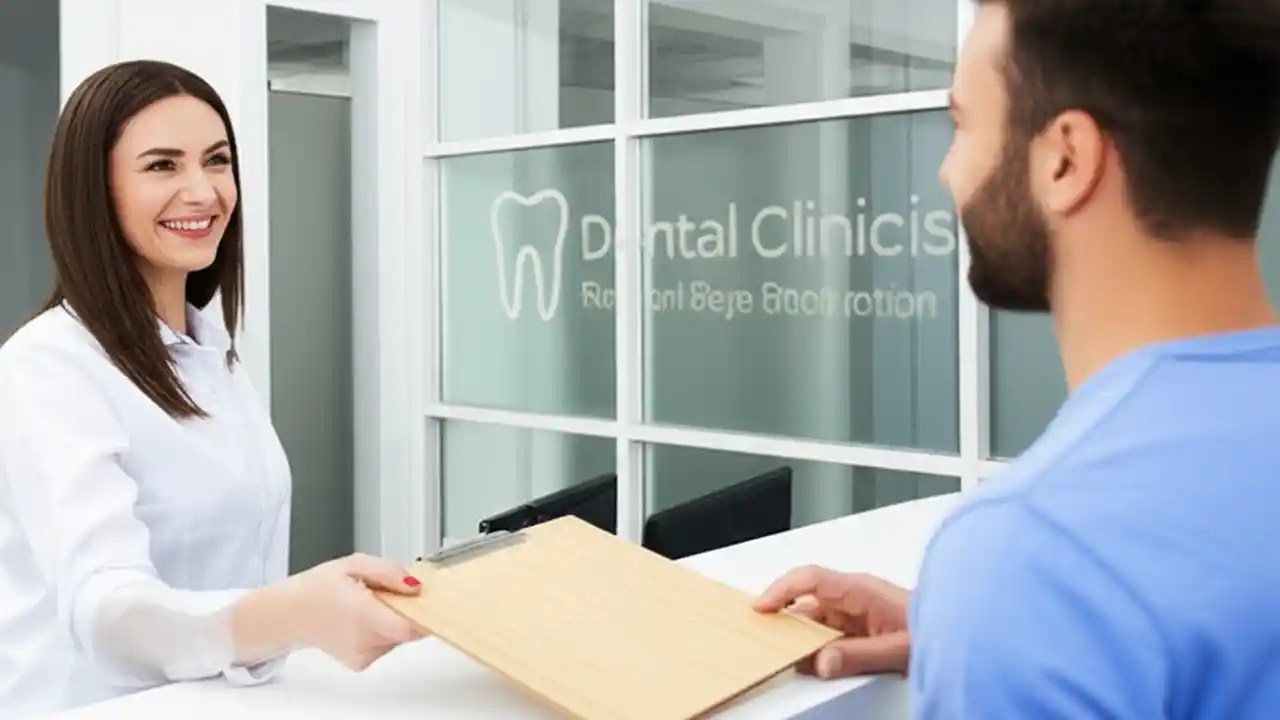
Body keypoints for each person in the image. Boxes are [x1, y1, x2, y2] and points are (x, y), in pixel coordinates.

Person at [755, 0, 1280, 717]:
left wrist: (1012, 624)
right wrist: (992, 638)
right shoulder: (1051, 589)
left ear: (1066, 157)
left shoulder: (1037, 555)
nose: (947, 172)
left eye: (963, 123)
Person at [0, 61, 426, 717]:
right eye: (162, 166)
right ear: (95, 191)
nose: (203, 191)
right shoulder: (46, 367)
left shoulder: (211, 354)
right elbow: (106, 611)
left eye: (217, 161)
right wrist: (296, 613)